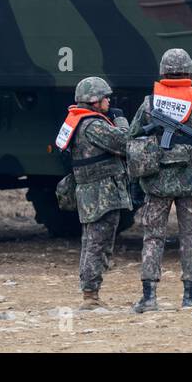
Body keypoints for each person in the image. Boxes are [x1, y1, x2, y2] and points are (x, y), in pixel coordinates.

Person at [128, 48, 192, 312]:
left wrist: (142, 171)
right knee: (189, 238)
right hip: (191, 182)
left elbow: (133, 140)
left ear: (163, 72)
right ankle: (190, 297)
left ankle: (149, 297)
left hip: (156, 182)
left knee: (153, 237)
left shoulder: (150, 104)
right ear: (189, 72)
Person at [55, 76, 132, 308]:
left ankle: (90, 292)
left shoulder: (77, 122)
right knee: (98, 244)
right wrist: (120, 120)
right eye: (105, 97)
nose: (108, 101)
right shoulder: (93, 125)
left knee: (91, 242)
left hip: (92, 193)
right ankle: (90, 296)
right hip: (102, 195)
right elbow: (125, 142)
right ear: (94, 101)